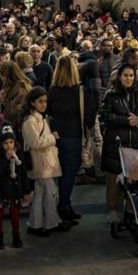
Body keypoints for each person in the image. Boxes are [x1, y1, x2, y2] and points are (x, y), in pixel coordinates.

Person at [98, 65, 138, 224]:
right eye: (125, 75)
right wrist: (126, 120)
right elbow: (105, 116)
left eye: (131, 75)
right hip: (116, 144)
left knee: (132, 178)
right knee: (114, 180)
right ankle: (113, 210)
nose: (128, 78)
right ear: (119, 77)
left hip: (135, 142)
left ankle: (130, 210)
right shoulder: (111, 95)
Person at [47, 55, 91, 224]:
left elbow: (48, 112)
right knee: (69, 175)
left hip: (57, 136)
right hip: (74, 136)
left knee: (62, 174)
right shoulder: (79, 90)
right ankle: (63, 207)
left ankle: (66, 204)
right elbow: (87, 115)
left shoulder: (52, 90)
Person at [22, 86, 65, 236]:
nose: (44, 104)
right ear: (32, 102)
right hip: (41, 162)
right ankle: (48, 223)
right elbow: (35, 143)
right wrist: (53, 138)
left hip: (44, 162)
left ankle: (37, 224)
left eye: (45, 101)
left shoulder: (38, 119)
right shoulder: (31, 121)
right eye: (40, 101)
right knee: (49, 193)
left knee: (41, 194)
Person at [0, 124, 28, 249]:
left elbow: (23, 173)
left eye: (11, 142)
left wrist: (26, 191)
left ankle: (16, 235)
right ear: (1, 144)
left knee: (15, 214)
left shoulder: (19, 155)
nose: (9, 145)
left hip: (14, 190)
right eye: (6, 143)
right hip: (1, 190)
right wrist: (5, 159)